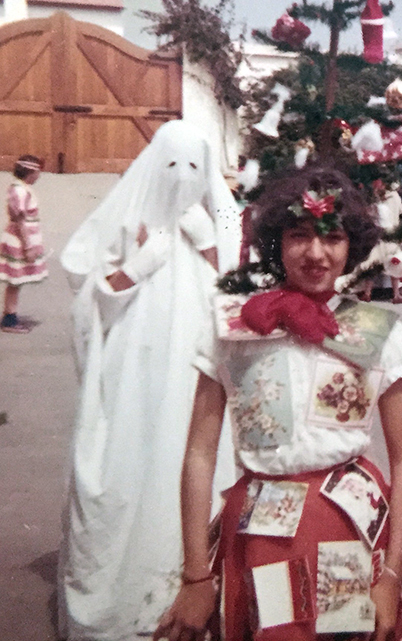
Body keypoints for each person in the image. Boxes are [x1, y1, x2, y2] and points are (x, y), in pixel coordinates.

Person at [154, 164, 402, 641]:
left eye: (333, 238)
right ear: (276, 241)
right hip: (261, 538)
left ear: (352, 246)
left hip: (353, 532)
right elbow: (199, 454)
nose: (316, 253)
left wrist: (390, 575)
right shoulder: (233, 331)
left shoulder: (380, 334)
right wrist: (196, 576)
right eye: (299, 234)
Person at [58, 120, 241, 641]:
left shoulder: (219, 225)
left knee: (197, 466)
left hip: (201, 388)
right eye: (171, 167)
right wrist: (135, 269)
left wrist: (211, 248)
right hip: (134, 387)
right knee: (133, 481)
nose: (182, 178)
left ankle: (200, 589)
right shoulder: (126, 220)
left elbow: (243, 301)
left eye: (192, 168)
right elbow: (86, 298)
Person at [0, 155, 47, 334]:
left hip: (19, 238)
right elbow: (20, 220)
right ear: (30, 173)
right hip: (20, 240)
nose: (39, 176)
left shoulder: (19, 188)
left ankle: (9, 315)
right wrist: (28, 246)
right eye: (37, 172)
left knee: (15, 281)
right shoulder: (21, 191)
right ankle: (9, 319)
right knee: (15, 280)